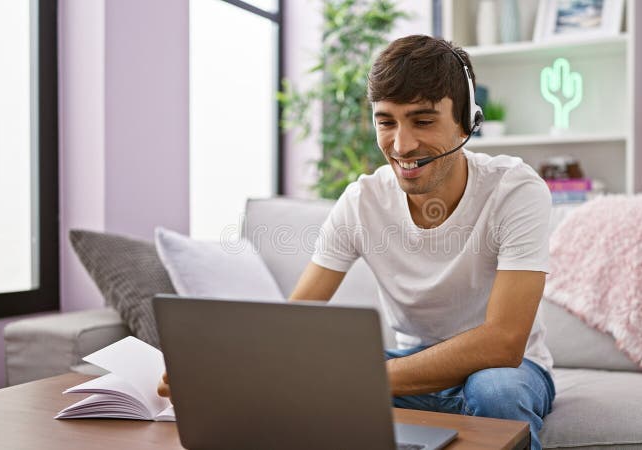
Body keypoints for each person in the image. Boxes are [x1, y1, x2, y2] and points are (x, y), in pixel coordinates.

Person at [159, 34, 555, 449]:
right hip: (411, 366)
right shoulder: (362, 200)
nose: (401, 145)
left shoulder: (515, 190)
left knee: (495, 392)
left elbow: (504, 342)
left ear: (467, 122)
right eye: (386, 122)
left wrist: (359, 382)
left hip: (510, 370)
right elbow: (294, 323)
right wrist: (222, 371)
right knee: (303, 374)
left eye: (422, 121)